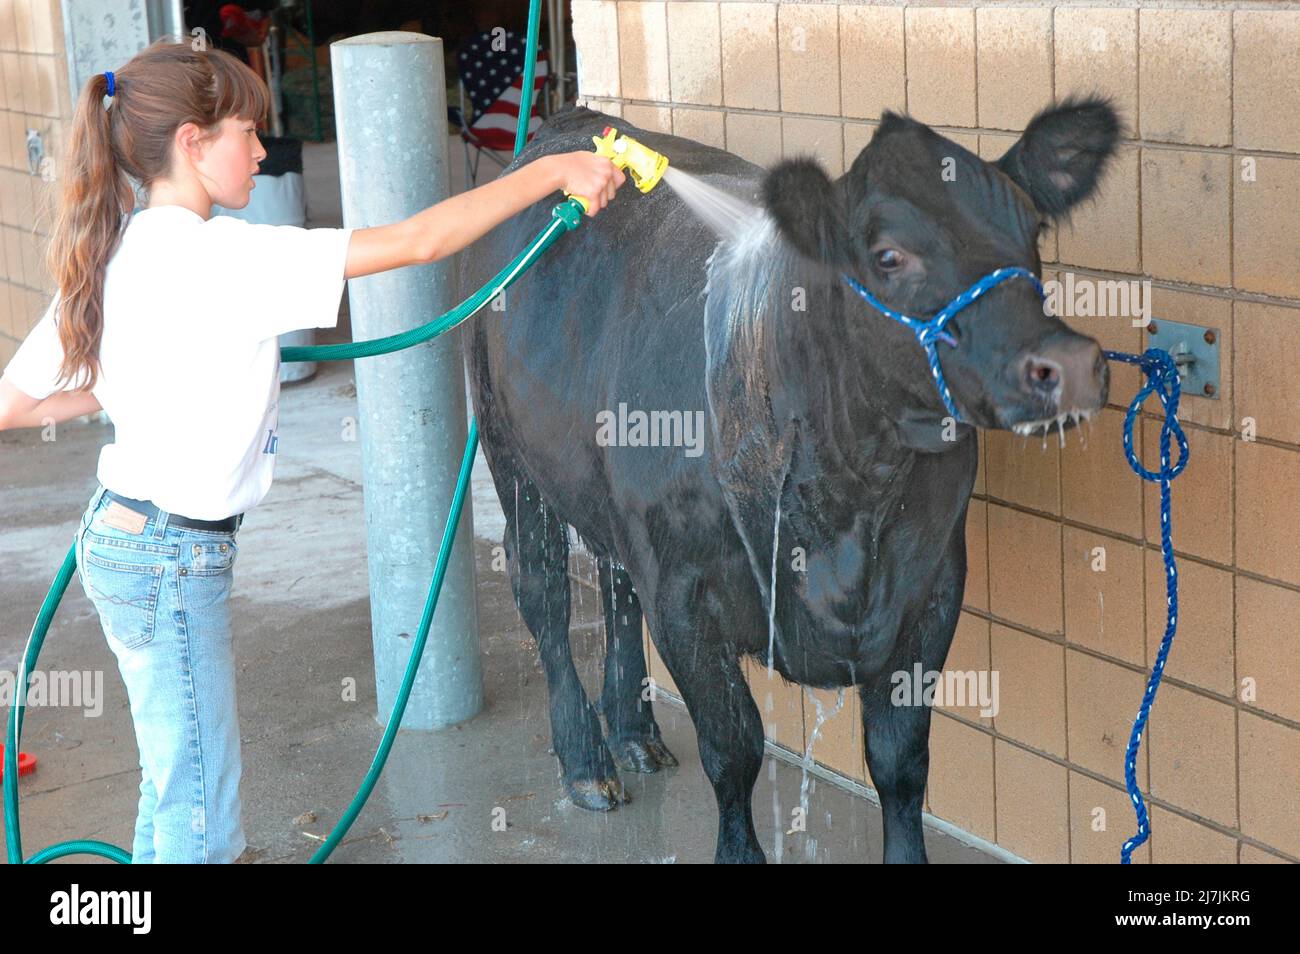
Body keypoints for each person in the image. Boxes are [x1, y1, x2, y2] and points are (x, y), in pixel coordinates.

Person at [0, 38, 623, 863]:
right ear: (192, 142)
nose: (262, 151)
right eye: (246, 133)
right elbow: (419, 242)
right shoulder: (230, 255)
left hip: (122, 539)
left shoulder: (117, 249)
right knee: (203, 820)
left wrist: (130, 386)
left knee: (173, 780)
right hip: (169, 557)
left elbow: (16, 403)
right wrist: (552, 172)